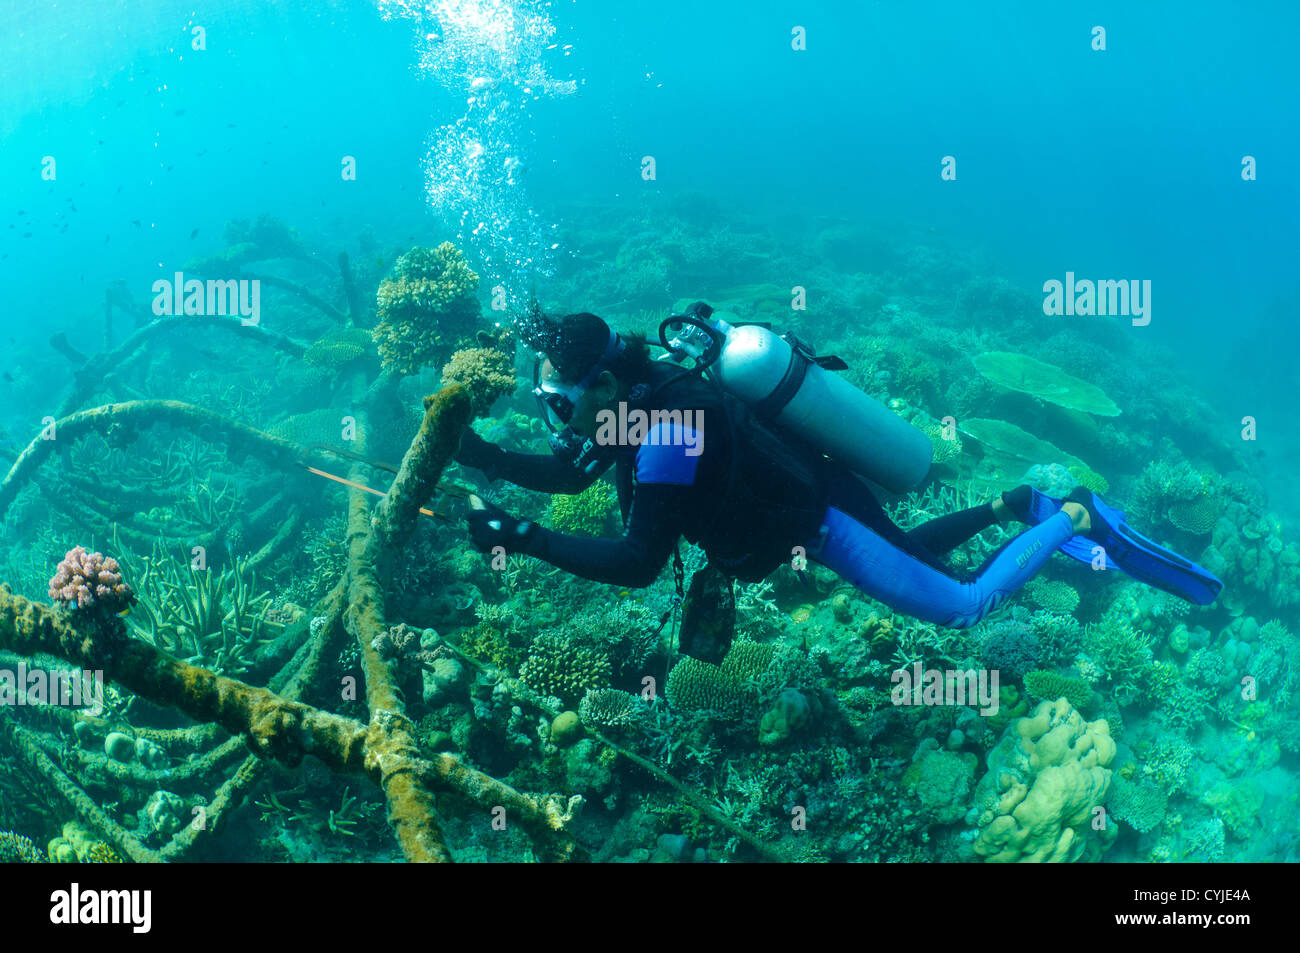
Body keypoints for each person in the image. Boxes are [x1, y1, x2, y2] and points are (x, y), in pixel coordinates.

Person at [456, 311, 1221, 655]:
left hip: (819, 518)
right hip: (816, 495)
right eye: (545, 403)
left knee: (959, 603)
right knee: (915, 555)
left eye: (560, 403)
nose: (557, 419)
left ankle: (1075, 518)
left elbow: (637, 561)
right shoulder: (640, 396)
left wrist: (521, 539)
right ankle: (1012, 506)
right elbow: (566, 470)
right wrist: (481, 454)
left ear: (600, 385)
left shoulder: (667, 432)